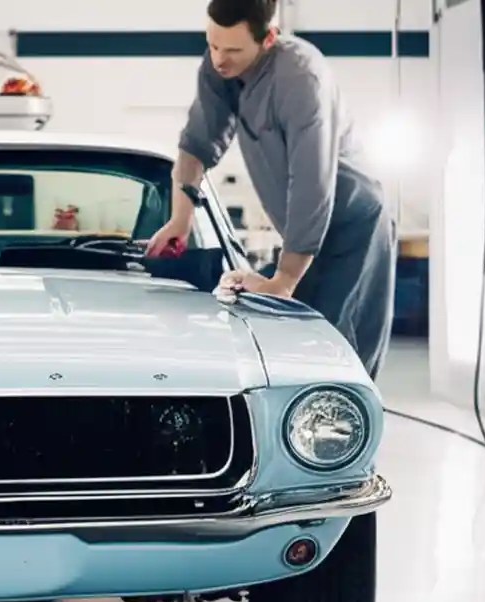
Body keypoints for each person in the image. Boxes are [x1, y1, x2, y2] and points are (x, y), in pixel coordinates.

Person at [147, 0, 397, 378]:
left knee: (335, 346)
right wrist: (181, 219)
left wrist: (284, 281)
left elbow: (312, 182)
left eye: (233, 49)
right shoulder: (219, 68)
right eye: (212, 45)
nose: (219, 59)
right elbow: (196, 144)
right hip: (302, 230)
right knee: (295, 349)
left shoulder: (300, 78)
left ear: (269, 38)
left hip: (353, 225)